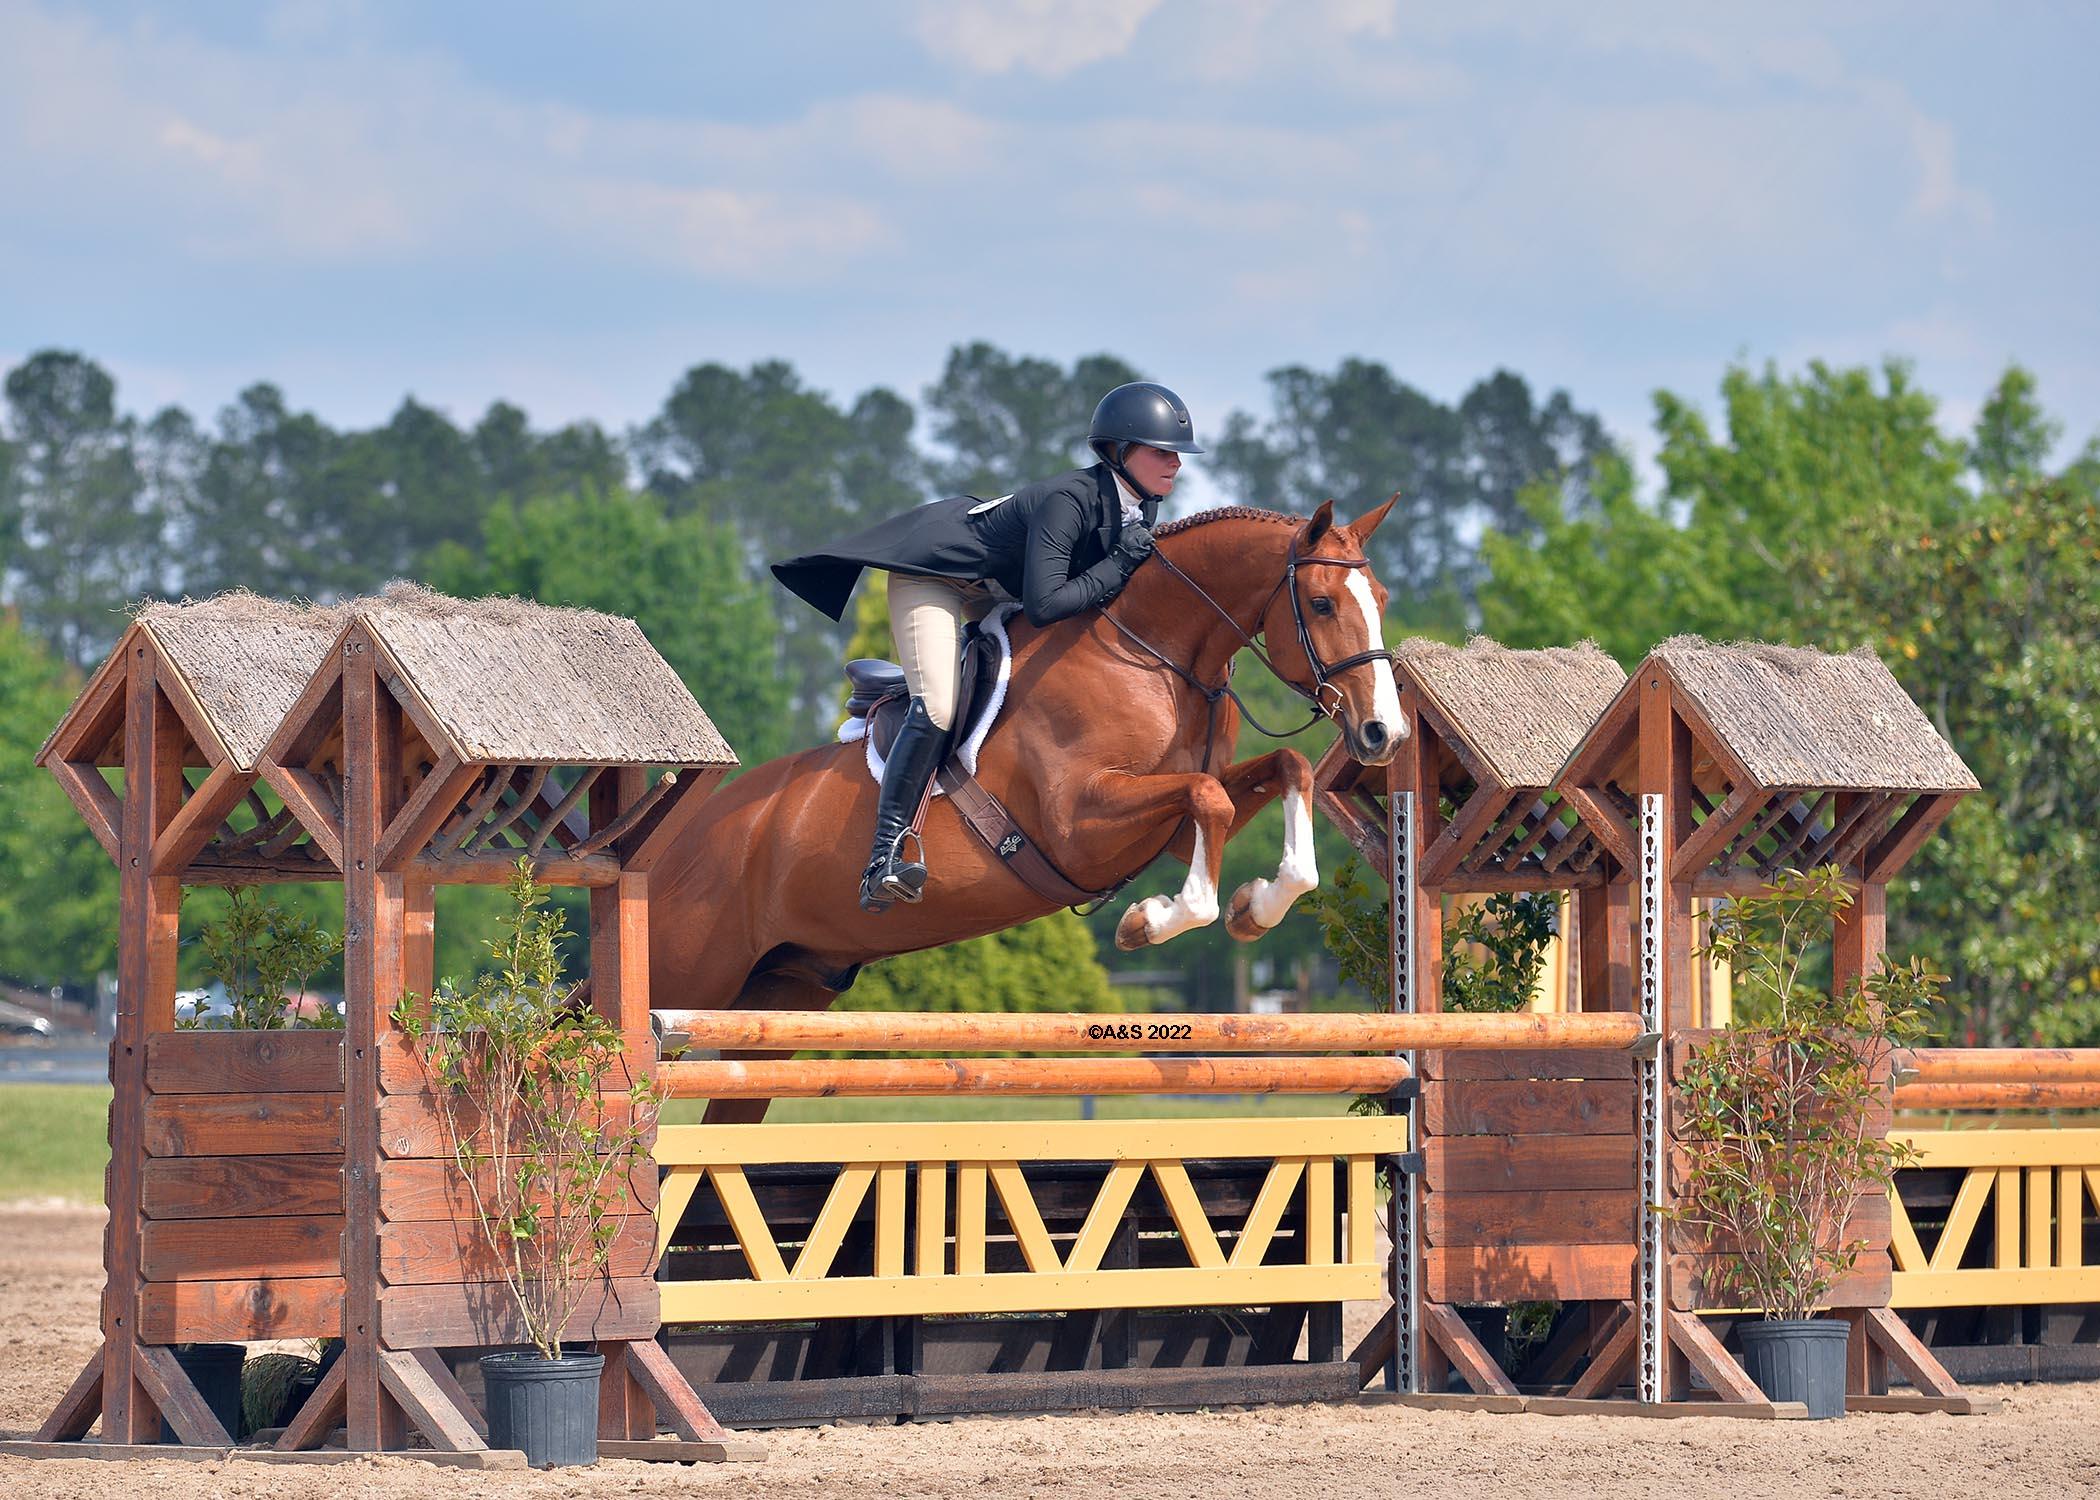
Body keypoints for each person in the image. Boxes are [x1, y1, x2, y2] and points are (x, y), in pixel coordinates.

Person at [772, 381, 1203, 912]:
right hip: (938, 576)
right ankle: (883, 856)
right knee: (940, 704)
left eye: (1177, 454)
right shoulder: (1070, 499)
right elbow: (1047, 606)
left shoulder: (1138, 509)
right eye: (1162, 451)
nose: (1174, 464)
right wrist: (1118, 565)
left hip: (997, 588)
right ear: (1119, 451)